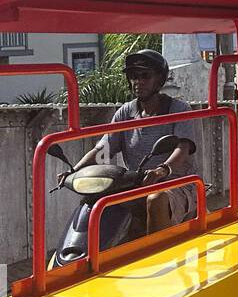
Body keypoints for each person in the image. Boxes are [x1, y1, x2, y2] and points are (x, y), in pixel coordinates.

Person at [65, 50, 200, 232]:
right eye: (134, 77)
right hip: (137, 183)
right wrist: (74, 170)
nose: (138, 82)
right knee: (93, 203)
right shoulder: (125, 113)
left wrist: (162, 170)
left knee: (155, 200)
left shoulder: (179, 110)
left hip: (176, 185)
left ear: (159, 80)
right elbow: (104, 149)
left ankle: (158, 256)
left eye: (145, 76)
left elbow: (183, 148)